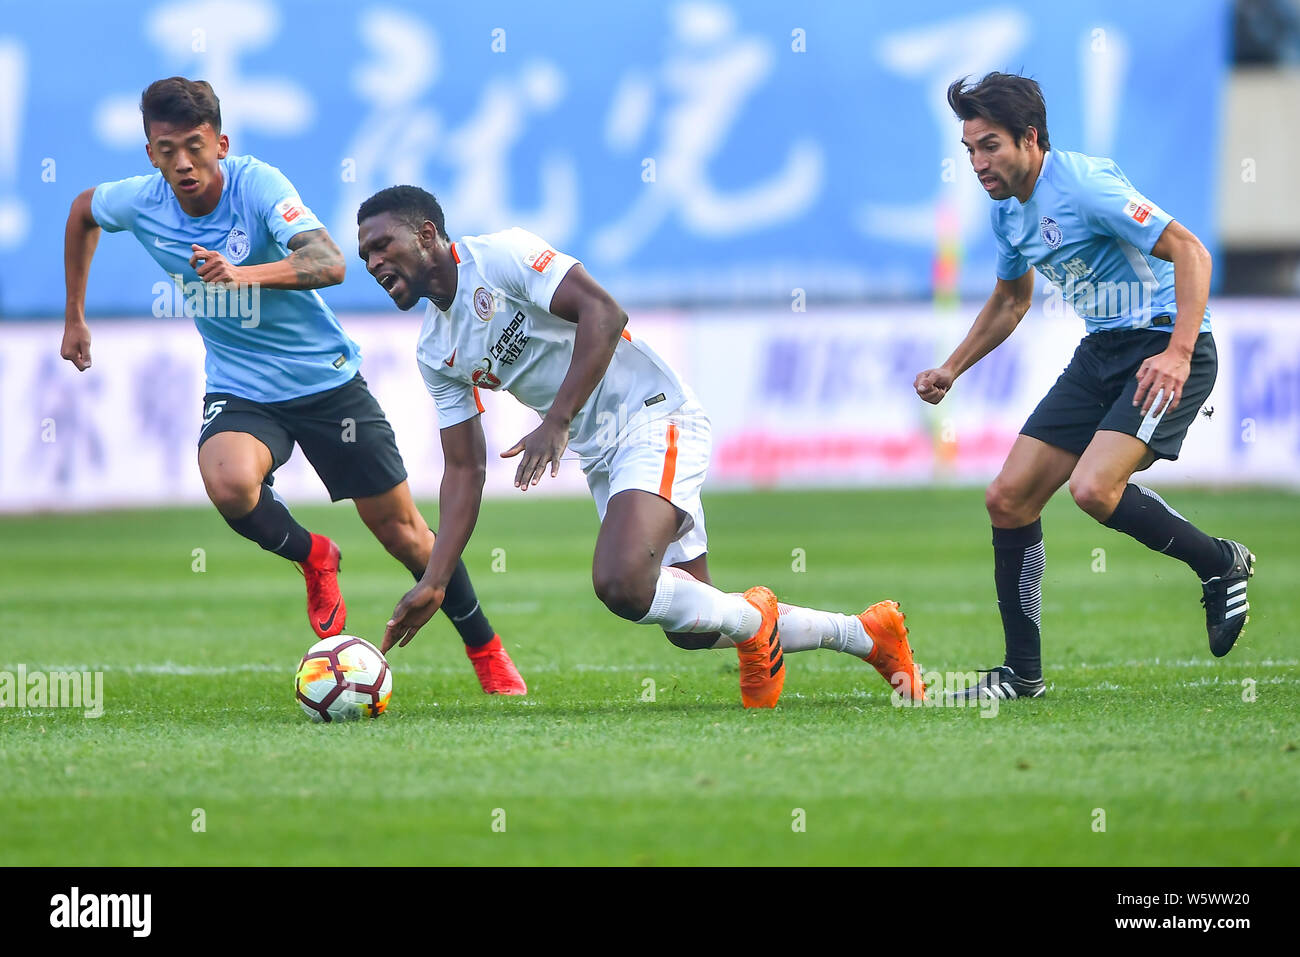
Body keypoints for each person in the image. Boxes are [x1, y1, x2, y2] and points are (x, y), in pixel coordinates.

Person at [355, 185, 926, 708]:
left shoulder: (499, 256)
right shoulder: (436, 350)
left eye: (382, 245)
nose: (375, 262)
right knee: (696, 629)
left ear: (427, 233)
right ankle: (866, 634)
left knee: (621, 583)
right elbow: (463, 467)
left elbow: (604, 313)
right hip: (605, 455)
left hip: (655, 416)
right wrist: (434, 578)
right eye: (365, 257)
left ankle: (757, 623)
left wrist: (557, 419)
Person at [60, 77, 525, 694]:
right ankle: (315, 557)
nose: (183, 163)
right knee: (228, 482)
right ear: (150, 154)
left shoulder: (259, 186)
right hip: (242, 387)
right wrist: (75, 315)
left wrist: (242, 274)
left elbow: (329, 262)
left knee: (405, 533)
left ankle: (486, 649)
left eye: (195, 146)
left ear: (220, 143)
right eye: (167, 149)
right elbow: (82, 211)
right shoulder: (139, 200)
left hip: (327, 383)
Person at [914, 72, 1254, 700]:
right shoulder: (1006, 213)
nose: (977, 163)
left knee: (1094, 489)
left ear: (1030, 138)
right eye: (968, 149)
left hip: (1164, 344)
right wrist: (952, 367)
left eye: (990, 145)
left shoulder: (1084, 185)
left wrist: (1179, 353)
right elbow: (1012, 300)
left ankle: (1218, 563)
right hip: (1101, 351)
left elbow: (1191, 252)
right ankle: (1023, 675)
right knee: (1007, 499)